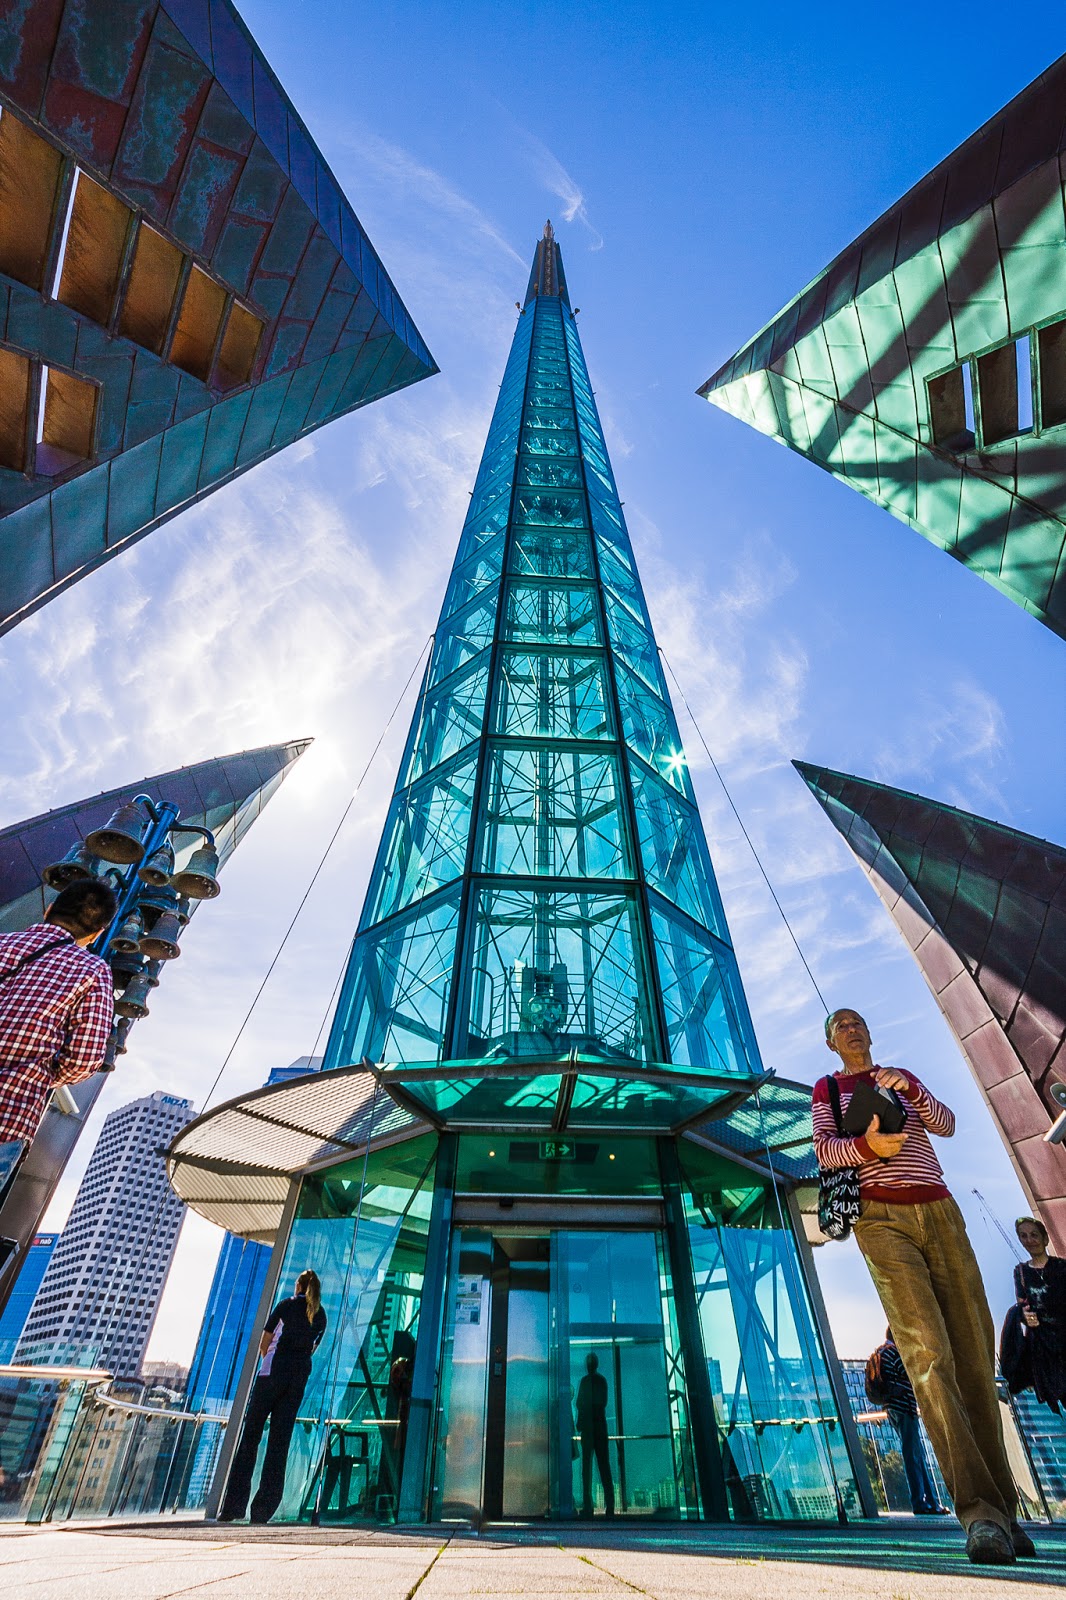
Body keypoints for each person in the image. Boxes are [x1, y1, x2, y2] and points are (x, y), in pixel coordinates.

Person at [813, 1008, 1028, 1566]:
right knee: (928, 1355)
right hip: (881, 1221)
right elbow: (825, 1152)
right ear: (831, 1042)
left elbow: (947, 1123)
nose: (854, 1029)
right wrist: (870, 1151)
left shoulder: (899, 1077)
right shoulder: (829, 1088)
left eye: (859, 1021)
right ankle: (980, 1513)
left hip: (940, 1210)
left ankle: (1006, 1508)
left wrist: (908, 1087)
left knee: (977, 1357)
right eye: (842, 1026)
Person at [0, 880, 116, 1190]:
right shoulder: (92, 971)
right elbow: (85, 1057)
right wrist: (37, 1072)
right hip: (7, 1113)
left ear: (48, 910)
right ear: (96, 935)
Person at [219, 1269, 327, 1523]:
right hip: (296, 1380)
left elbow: (265, 1342)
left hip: (271, 1376)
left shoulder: (286, 1306)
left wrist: (269, 1363)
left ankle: (233, 1507)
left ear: (299, 1286)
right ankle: (263, 1511)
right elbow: (311, 1350)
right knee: (279, 1445)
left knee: (251, 1439)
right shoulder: (321, 1316)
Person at [866, 1327, 944, 1515]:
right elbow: (913, 1374)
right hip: (904, 1408)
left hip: (891, 1408)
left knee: (915, 1454)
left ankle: (930, 1501)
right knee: (913, 1456)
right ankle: (920, 1502)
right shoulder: (894, 1352)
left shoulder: (880, 1352)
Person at [1014, 1216, 1066, 1412]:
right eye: (1024, 1236)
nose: (1030, 1240)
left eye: (1034, 1235)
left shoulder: (1062, 1267)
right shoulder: (1020, 1272)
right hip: (1045, 1348)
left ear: (1045, 1239)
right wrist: (1025, 1317)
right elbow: (1021, 1305)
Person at [576, 1351, 614, 1517]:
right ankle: (610, 1506)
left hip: (588, 1430)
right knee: (604, 1467)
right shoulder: (602, 1381)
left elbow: (579, 1403)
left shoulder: (585, 1381)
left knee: (587, 1469)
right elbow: (603, 1402)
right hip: (600, 1428)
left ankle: (587, 1506)